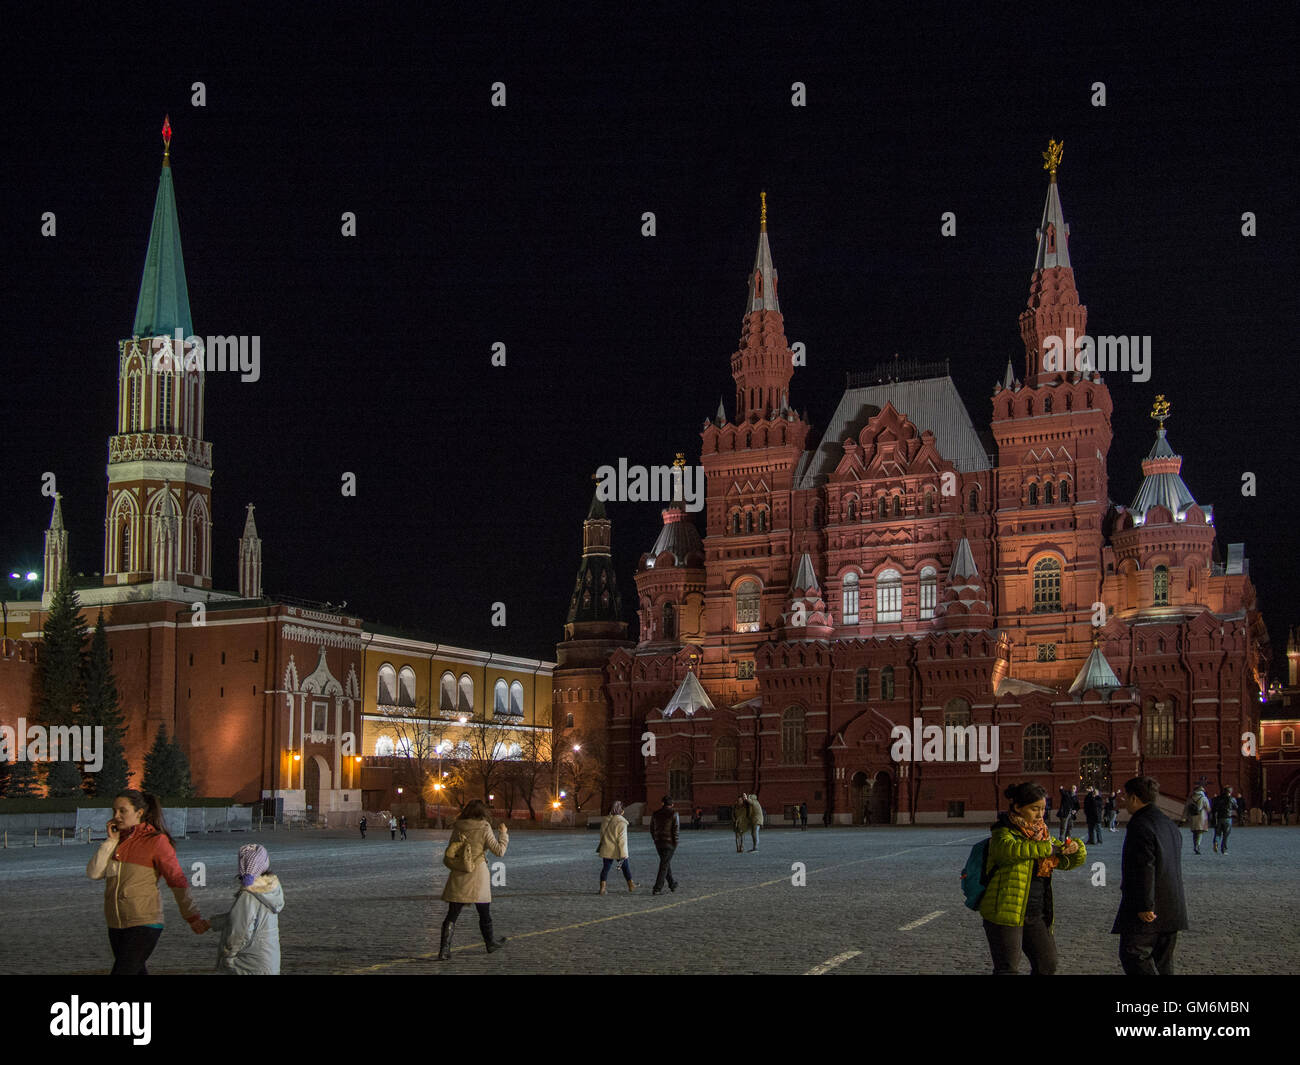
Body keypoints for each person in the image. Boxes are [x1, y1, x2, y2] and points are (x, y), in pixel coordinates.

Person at [86, 790, 210, 974]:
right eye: (114, 811)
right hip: (116, 923)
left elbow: (177, 880)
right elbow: (94, 873)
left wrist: (192, 916)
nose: (116, 816)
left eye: (122, 811)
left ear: (139, 812)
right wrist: (110, 842)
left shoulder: (156, 841)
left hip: (144, 922)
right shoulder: (116, 842)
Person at [979, 781, 1086, 975]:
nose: (1040, 814)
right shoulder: (1003, 832)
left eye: (1043, 809)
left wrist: (1076, 849)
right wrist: (1049, 848)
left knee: (1047, 964)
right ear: (1018, 807)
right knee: (1007, 969)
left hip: (1035, 913)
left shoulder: (1042, 835)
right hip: (1005, 911)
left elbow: (1066, 862)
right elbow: (1010, 851)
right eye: (1035, 809)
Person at [1112, 776, 1187, 975]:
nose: (1124, 801)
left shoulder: (1140, 824)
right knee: (1163, 963)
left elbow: (1144, 866)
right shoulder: (1168, 823)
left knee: (1133, 955)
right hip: (1172, 906)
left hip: (1149, 909)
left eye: (1125, 796)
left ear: (1134, 798)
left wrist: (1145, 904)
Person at [436, 799, 509, 960]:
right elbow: (499, 851)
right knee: (484, 912)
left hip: (460, 872)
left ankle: (444, 949)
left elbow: (452, 849)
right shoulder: (484, 827)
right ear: (482, 812)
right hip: (478, 874)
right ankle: (490, 943)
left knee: (452, 914)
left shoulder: (458, 826)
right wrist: (503, 833)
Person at [214, 843, 284, 975]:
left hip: (249, 964)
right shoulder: (269, 889)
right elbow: (242, 916)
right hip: (268, 961)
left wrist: (228, 956)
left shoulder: (248, 895)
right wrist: (211, 923)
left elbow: (239, 928)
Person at [597, 800, 635, 893]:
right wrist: (624, 854)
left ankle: (602, 888)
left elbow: (602, 835)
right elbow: (622, 840)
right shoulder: (621, 822)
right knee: (625, 867)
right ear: (620, 810)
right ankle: (631, 885)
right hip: (618, 850)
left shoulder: (605, 820)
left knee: (605, 868)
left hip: (606, 848)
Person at [650, 795, 680, 895]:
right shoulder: (674, 814)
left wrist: (655, 839)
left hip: (659, 842)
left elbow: (652, 828)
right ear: (672, 804)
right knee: (664, 865)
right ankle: (657, 888)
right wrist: (676, 843)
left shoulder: (655, 813)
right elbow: (676, 830)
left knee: (665, 863)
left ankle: (672, 884)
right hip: (669, 843)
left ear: (662, 803)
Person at [1184, 785, 1210, 854]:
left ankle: (1194, 845)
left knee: (1194, 832)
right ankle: (1198, 845)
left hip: (1193, 817)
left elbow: (1186, 808)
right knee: (1200, 832)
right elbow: (1208, 808)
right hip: (1202, 817)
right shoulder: (1204, 798)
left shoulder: (1191, 798)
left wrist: (1184, 817)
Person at [1211, 787, 1236, 854]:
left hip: (1219, 818)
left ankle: (1216, 842)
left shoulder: (1218, 799)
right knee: (1226, 835)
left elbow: (1214, 808)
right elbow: (1236, 807)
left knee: (1218, 832)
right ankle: (1224, 849)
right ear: (1230, 792)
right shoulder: (1232, 799)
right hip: (1228, 818)